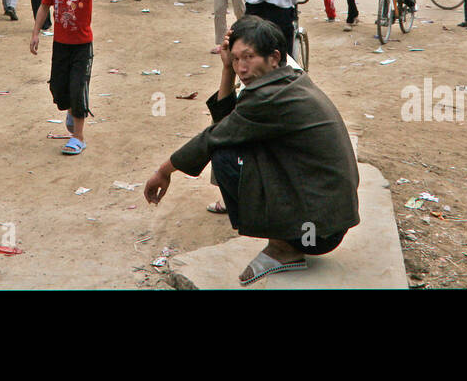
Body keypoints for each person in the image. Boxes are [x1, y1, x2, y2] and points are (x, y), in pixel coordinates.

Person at [143, 17, 360, 286]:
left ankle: (283, 248)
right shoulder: (288, 80)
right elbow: (228, 125)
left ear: (274, 57)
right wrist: (227, 70)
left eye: (249, 57)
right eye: (235, 59)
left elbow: (215, 137)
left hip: (316, 233)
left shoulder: (270, 97)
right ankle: (284, 241)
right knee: (233, 145)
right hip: (325, 226)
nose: (241, 67)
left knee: (224, 157)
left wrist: (164, 171)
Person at [30, 0, 109, 156]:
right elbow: (44, 7)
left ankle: (78, 137)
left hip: (82, 46)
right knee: (58, 89)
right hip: (60, 45)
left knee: (78, 88)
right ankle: (72, 110)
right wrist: (35, 33)